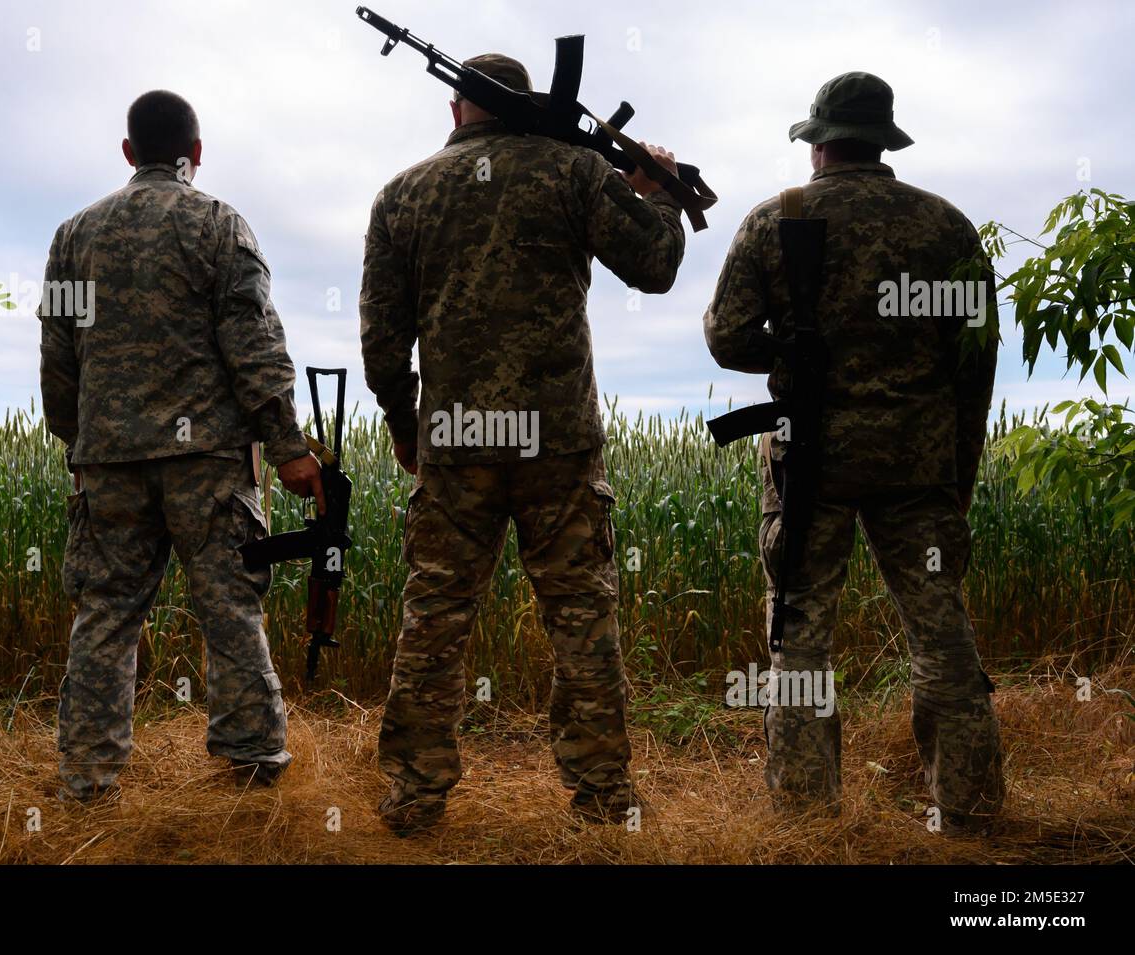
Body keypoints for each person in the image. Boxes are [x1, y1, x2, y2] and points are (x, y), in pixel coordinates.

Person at [360, 53, 687, 832]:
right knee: (580, 612)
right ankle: (604, 794)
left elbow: (381, 344)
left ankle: (415, 792)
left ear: (455, 110)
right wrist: (661, 197)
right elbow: (657, 267)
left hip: (454, 443)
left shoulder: (403, 194)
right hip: (560, 442)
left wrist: (410, 433)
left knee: (435, 611)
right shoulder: (572, 171)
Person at [703, 72, 1004, 830]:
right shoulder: (946, 227)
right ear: (883, 139)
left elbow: (726, 337)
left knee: (800, 643)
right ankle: (968, 811)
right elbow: (975, 364)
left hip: (812, 464)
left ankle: (807, 820)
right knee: (943, 636)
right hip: (917, 466)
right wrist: (955, 478)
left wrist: (798, 349)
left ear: (817, 142)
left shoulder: (777, 219)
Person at [39, 89, 323, 802]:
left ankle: (87, 777)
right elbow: (254, 346)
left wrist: (80, 445)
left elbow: (57, 359)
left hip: (108, 463)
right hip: (208, 465)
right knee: (230, 609)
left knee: (104, 615)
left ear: (129, 152)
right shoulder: (219, 225)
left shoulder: (75, 235)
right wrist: (289, 447)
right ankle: (252, 763)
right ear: (196, 154)